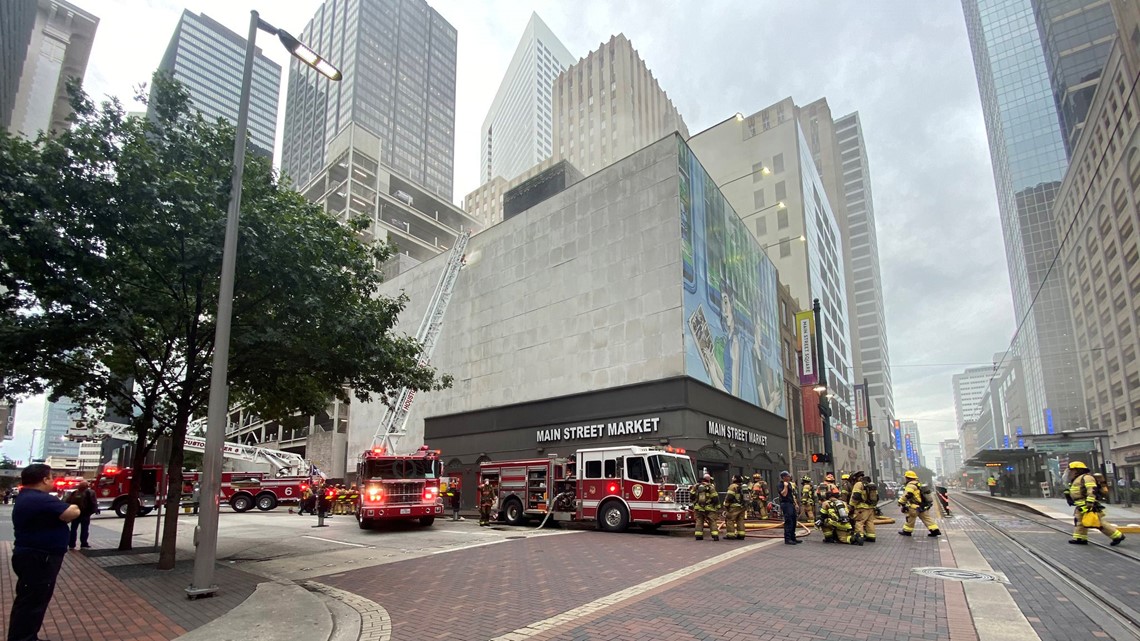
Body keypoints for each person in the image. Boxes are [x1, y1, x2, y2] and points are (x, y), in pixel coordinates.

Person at [9, 464, 81, 641]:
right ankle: (24, 638)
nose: (53, 481)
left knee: (30, 600)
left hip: (34, 556)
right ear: (44, 479)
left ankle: (26, 636)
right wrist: (73, 506)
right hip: (40, 558)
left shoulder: (28, 497)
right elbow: (71, 512)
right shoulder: (39, 498)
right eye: (51, 477)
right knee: (33, 602)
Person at [1065, 461, 1124, 545]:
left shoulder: (1086, 477)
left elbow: (1092, 489)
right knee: (1080, 521)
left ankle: (1117, 536)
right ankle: (1080, 538)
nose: (1071, 472)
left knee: (1097, 522)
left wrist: (1090, 502)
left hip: (1087, 504)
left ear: (1078, 470)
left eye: (1072, 470)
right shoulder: (1077, 479)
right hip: (1081, 504)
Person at [898, 470, 940, 537]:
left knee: (910, 519)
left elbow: (907, 495)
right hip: (922, 506)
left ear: (907, 478)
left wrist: (900, 502)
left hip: (914, 507)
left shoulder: (910, 485)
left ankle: (907, 531)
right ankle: (935, 531)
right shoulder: (918, 483)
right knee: (927, 519)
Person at [65, 480, 98, 549]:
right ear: (87, 486)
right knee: (84, 529)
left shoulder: (74, 492)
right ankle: (84, 544)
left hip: (75, 513)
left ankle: (71, 544)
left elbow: (68, 501)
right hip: (85, 514)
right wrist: (94, 510)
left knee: (73, 529)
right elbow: (93, 502)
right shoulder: (90, 492)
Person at [848, 471, 876, 544]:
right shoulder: (870, 484)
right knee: (869, 522)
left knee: (859, 522)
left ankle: (859, 537)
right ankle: (871, 536)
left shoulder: (858, 484)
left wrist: (851, 505)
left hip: (861, 508)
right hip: (870, 508)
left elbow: (855, 496)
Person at [692, 473, 721, 541]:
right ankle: (715, 536)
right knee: (712, 521)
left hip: (698, 507)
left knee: (699, 521)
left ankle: (698, 536)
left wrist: (695, 503)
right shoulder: (710, 486)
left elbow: (691, 495)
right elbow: (715, 497)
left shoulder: (696, 486)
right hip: (709, 508)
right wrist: (717, 506)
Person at [777, 471, 800, 544]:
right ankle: (788, 539)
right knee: (788, 521)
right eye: (788, 476)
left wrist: (795, 504)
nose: (789, 477)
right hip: (786, 504)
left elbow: (792, 495)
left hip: (791, 503)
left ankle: (793, 537)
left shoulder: (790, 484)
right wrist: (785, 486)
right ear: (784, 477)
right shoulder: (780, 484)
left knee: (793, 521)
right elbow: (784, 494)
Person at [722, 474, 747, 540]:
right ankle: (741, 535)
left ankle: (730, 535)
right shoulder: (743, 486)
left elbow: (729, 496)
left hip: (734, 507)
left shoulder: (732, 486)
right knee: (740, 520)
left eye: (733, 477)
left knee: (729, 519)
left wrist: (726, 504)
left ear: (735, 479)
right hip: (742, 506)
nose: (732, 478)